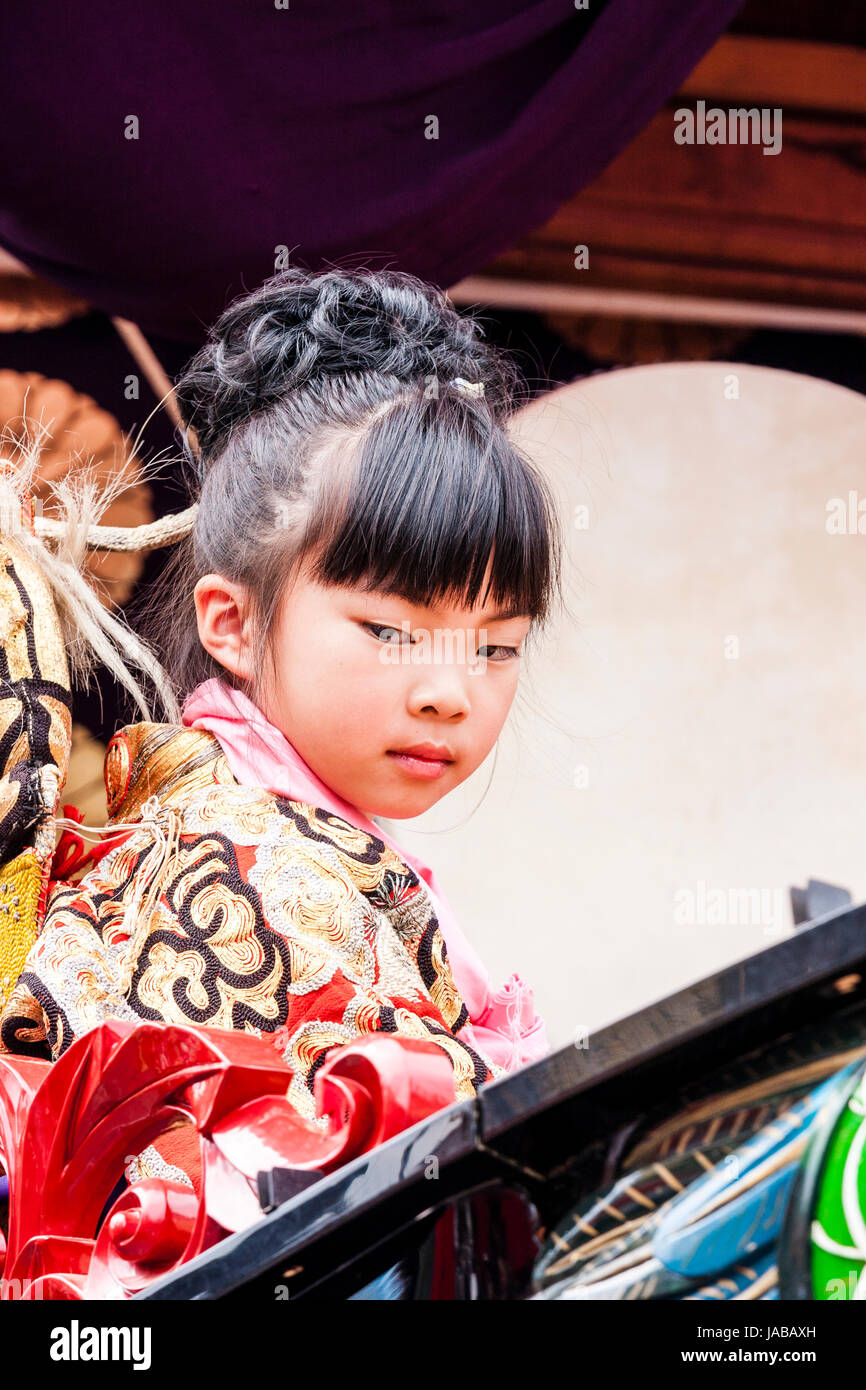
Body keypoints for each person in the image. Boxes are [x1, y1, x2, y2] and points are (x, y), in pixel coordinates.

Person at [0, 268, 563, 1175]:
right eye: (390, 630)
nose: (450, 692)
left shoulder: (259, 830)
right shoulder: (260, 872)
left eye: (494, 647)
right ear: (235, 621)